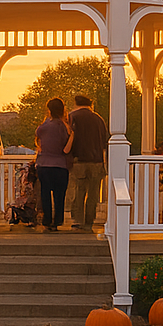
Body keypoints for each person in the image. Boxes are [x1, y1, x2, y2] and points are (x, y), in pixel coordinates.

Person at [67, 93, 107, 231]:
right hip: (96, 161)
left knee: (79, 192)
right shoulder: (98, 119)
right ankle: (89, 221)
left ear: (75, 103)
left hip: (78, 161)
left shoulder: (72, 117)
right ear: (91, 105)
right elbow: (105, 143)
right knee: (93, 194)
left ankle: (78, 221)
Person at [34, 97, 74, 232]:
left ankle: (46, 220)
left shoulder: (45, 126)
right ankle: (57, 221)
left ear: (49, 110)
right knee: (59, 195)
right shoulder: (64, 127)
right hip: (60, 165)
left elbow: (38, 134)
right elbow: (65, 148)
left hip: (44, 164)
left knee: (45, 193)